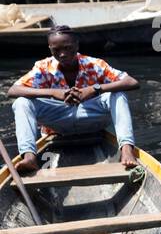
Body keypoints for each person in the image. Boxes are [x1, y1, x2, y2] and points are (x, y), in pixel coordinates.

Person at [7, 26, 139, 174]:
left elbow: (131, 82)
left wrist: (93, 89)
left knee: (118, 94)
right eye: (56, 50)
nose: (62, 54)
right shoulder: (43, 67)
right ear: (50, 49)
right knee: (21, 102)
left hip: (90, 118)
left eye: (67, 48)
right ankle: (29, 157)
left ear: (77, 45)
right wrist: (54, 93)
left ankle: (127, 150)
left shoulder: (94, 64)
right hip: (58, 124)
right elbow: (13, 90)